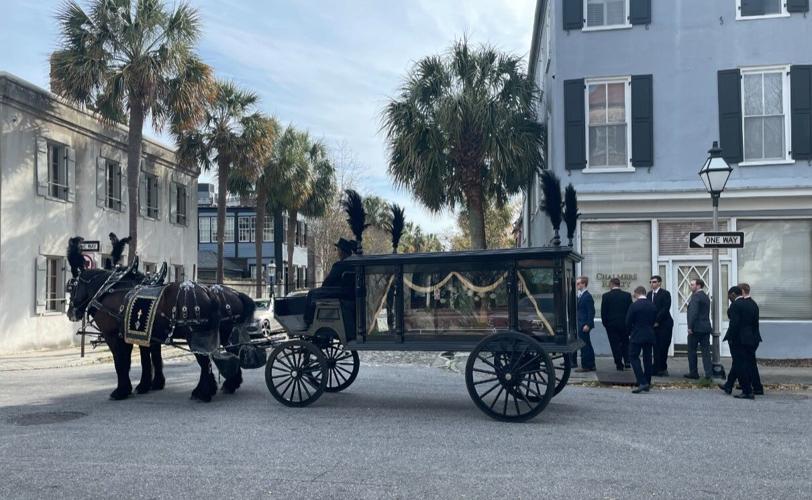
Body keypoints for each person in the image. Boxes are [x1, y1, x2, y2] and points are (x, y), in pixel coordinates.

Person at [304, 238, 356, 325]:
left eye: (338, 250)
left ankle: (308, 320)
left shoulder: (339, 265)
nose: (337, 252)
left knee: (311, 293)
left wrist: (322, 289)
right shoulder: (354, 265)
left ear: (342, 252)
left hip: (340, 292)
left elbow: (328, 282)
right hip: (350, 293)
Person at [722, 286, 760, 399]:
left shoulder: (736, 305)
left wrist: (731, 338)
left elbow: (734, 324)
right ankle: (730, 385)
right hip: (750, 338)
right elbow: (755, 323)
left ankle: (747, 391)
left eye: (729, 296)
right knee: (746, 363)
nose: (729, 299)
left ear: (733, 294)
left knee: (740, 365)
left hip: (739, 339)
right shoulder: (752, 304)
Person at [626, 286, 657, 393]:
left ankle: (642, 381)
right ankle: (647, 381)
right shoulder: (652, 305)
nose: (633, 295)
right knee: (647, 358)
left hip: (637, 334)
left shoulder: (634, 306)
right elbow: (654, 320)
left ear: (637, 293)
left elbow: (628, 321)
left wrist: (629, 332)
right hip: (649, 334)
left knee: (633, 356)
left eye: (634, 293)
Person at [600, 277, 633, 371]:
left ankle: (619, 363)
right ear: (619, 284)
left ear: (611, 284)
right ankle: (627, 361)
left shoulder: (606, 296)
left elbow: (603, 312)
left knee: (614, 344)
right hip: (624, 324)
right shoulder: (627, 295)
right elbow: (630, 311)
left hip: (611, 325)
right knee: (625, 343)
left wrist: (605, 323)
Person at [684, 278, 713, 380]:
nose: (690, 286)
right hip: (705, 327)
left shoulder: (696, 297)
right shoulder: (705, 296)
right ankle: (708, 374)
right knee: (706, 352)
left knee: (692, 351)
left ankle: (693, 372)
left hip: (696, 328)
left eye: (692, 284)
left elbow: (693, 313)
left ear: (698, 286)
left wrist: (690, 327)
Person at [647, 276, 673, 376]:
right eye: (651, 282)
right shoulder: (649, 294)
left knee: (663, 346)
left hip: (664, 324)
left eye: (654, 282)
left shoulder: (665, 294)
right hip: (653, 325)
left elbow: (665, 309)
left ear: (659, 283)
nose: (652, 284)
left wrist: (657, 320)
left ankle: (662, 368)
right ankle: (656, 367)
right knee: (655, 346)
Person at [571, 276, 596, 373]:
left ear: (584, 284)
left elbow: (591, 312)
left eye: (578, 284)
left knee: (584, 345)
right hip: (580, 323)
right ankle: (591, 364)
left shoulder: (587, 296)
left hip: (584, 324)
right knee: (587, 344)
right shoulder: (580, 295)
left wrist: (588, 325)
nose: (577, 285)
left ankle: (586, 366)